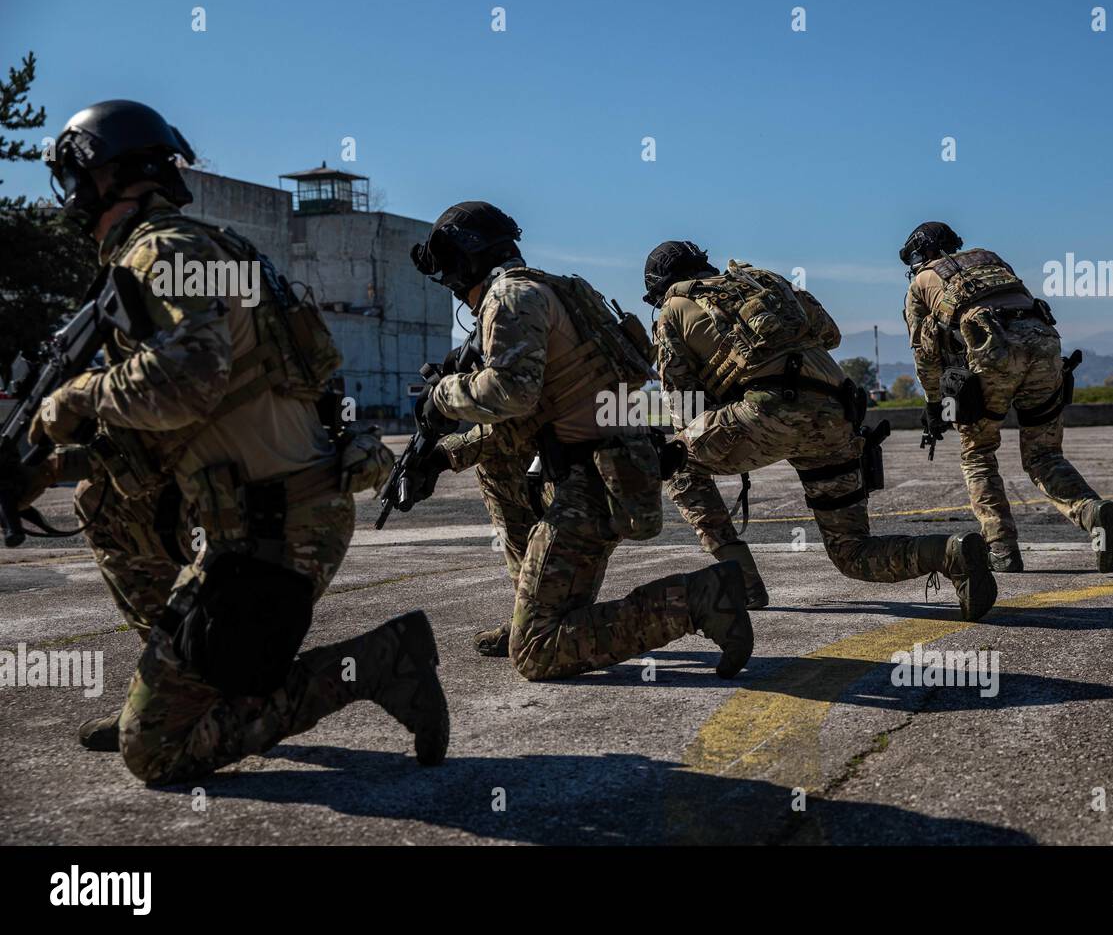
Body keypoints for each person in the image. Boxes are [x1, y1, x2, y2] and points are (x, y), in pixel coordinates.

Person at [23, 99, 447, 783]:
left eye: (75, 180)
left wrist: (73, 398)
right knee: (106, 498)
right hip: (283, 505)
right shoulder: (212, 247)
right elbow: (173, 430)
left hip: (272, 531)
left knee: (155, 753)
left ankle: (378, 662)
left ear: (105, 178)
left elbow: (188, 381)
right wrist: (52, 463)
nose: (71, 199)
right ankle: (173, 690)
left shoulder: (163, 252)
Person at [409, 202, 754, 680]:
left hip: (586, 486)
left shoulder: (508, 297)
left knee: (537, 651)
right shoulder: (557, 288)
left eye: (448, 272)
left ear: (466, 258)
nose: (453, 288)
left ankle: (698, 600)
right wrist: (444, 456)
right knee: (540, 613)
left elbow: (511, 392)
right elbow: (522, 420)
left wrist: (440, 396)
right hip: (611, 470)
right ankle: (532, 611)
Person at [644, 241, 998, 620]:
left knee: (677, 464)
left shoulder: (671, 309)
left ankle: (741, 582)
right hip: (836, 413)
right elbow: (830, 334)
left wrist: (703, 426)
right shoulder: (765, 280)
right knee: (851, 552)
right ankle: (951, 552)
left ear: (662, 286)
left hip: (765, 410)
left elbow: (683, 407)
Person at [899, 220, 1113, 572]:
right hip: (1046, 345)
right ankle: (1091, 512)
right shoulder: (991, 259)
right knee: (1044, 454)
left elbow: (924, 352)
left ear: (924, 250)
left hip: (993, 352)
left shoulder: (920, 284)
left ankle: (1002, 548)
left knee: (978, 454)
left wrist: (934, 403)